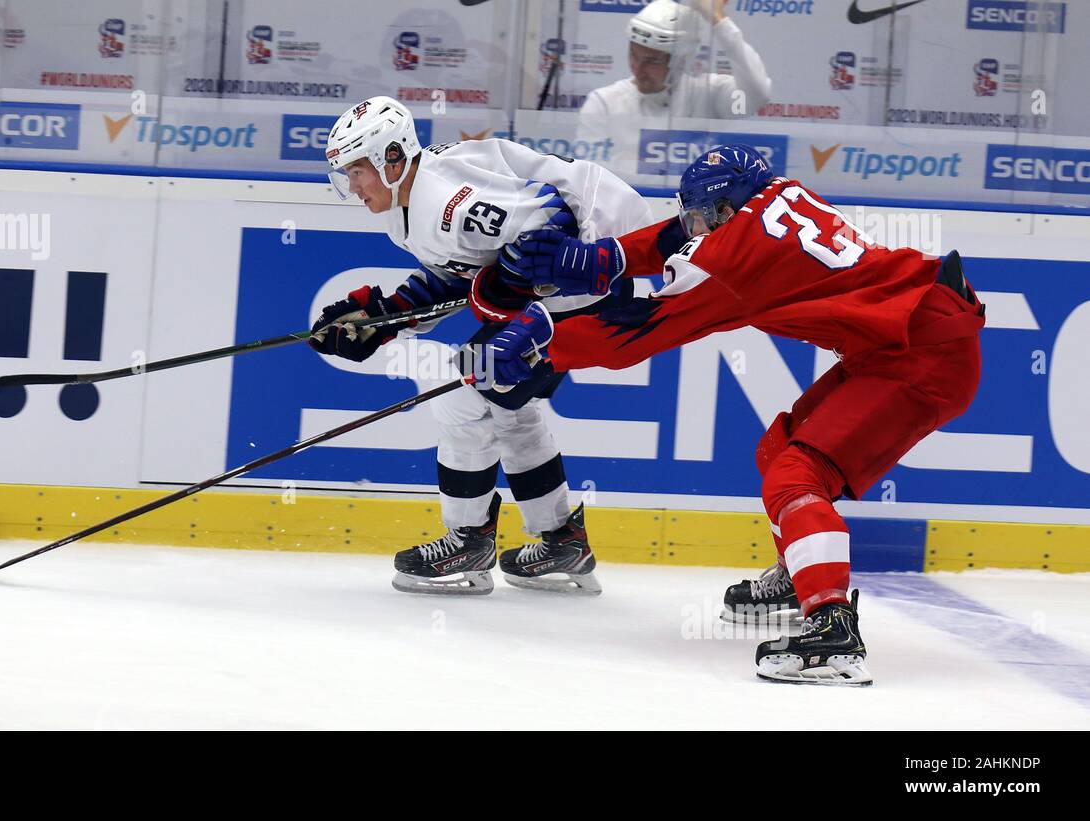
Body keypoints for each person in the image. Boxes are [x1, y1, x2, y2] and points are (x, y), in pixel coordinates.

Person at [492, 144, 986, 685]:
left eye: (701, 217)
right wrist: (594, 259)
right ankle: (800, 580)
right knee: (779, 451)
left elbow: (635, 335)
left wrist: (544, 337)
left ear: (725, 212)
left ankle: (832, 629)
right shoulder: (780, 196)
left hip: (919, 353)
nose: (693, 228)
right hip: (909, 333)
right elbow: (679, 240)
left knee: (799, 476)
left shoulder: (732, 259)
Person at [312, 96, 653, 596]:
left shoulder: (445, 201)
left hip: (598, 270)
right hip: (579, 278)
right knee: (505, 404)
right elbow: (463, 269)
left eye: (357, 171)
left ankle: (469, 540)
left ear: (391, 159)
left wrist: (505, 288)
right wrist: (383, 318)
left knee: (461, 389)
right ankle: (561, 541)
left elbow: (550, 222)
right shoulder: (411, 202)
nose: (352, 186)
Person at [577, 0, 771, 174]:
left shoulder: (709, 93)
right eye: (633, 55)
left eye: (651, 61)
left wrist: (719, 22)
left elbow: (757, 93)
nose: (638, 69)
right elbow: (588, 176)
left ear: (680, 61)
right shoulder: (603, 103)